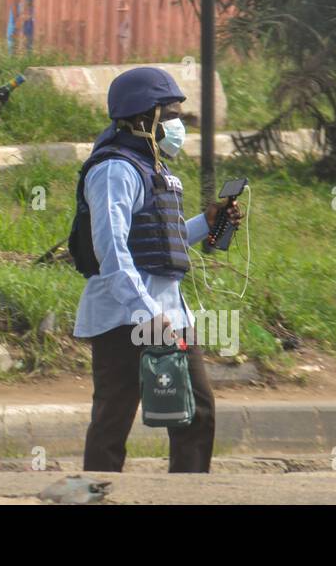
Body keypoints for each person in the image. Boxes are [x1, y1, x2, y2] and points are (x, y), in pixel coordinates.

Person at [73, 66, 241, 473]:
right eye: (169, 114)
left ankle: (187, 495)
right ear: (141, 117)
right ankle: (97, 495)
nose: (177, 124)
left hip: (168, 314)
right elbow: (112, 250)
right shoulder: (114, 170)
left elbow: (161, 239)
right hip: (124, 316)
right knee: (113, 419)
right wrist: (147, 312)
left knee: (196, 414)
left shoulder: (156, 168)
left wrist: (208, 221)